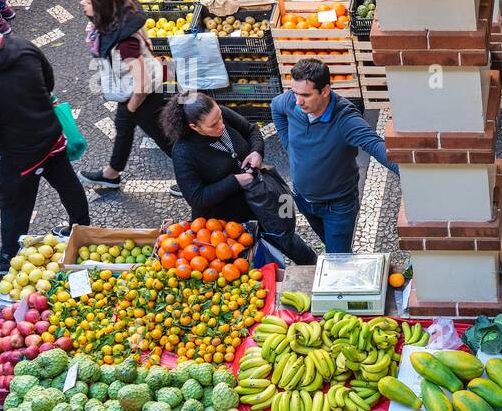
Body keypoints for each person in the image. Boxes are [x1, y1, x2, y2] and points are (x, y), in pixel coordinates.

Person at [0, 1, 89, 274]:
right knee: (67, 183)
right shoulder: (23, 46)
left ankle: (8, 257)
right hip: (52, 136)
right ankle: (82, 228)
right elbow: (48, 80)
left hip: (20, 155)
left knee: (14, 205)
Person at [161, 93, 315, 264]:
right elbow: (197, 198)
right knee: (250, 265)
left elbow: (251, 130)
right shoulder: (184, 152)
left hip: (262, 202)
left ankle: (315, 268)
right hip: (227, 224)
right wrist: (235, 181)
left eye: (220, 117)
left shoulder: (221, 115)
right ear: (195, 127)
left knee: (288, 241)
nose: (221, 125)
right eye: (213, 125)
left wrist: (257, 151)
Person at [270, 57, 398, 254]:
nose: (298, 101)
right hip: (303, 199)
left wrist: (412, 173)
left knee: (338, 257)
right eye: (294, 93)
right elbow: (275, 107)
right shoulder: (292, 102)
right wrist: (290, 145)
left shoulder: (345, 119)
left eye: (305, 95)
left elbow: (376, 146)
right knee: (330, 246)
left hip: (337, 206)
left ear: (325, 91)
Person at [77, 0, 181, 197]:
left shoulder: (125, 41)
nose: (82, 4)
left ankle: (193, 178)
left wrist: (133, 106)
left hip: (141, 95)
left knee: (167, 140)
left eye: (87, 1)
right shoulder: (119, 19)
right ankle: (111, 174)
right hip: (131, 92)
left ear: (101, 7)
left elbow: (142, 83)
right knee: (123, 128)